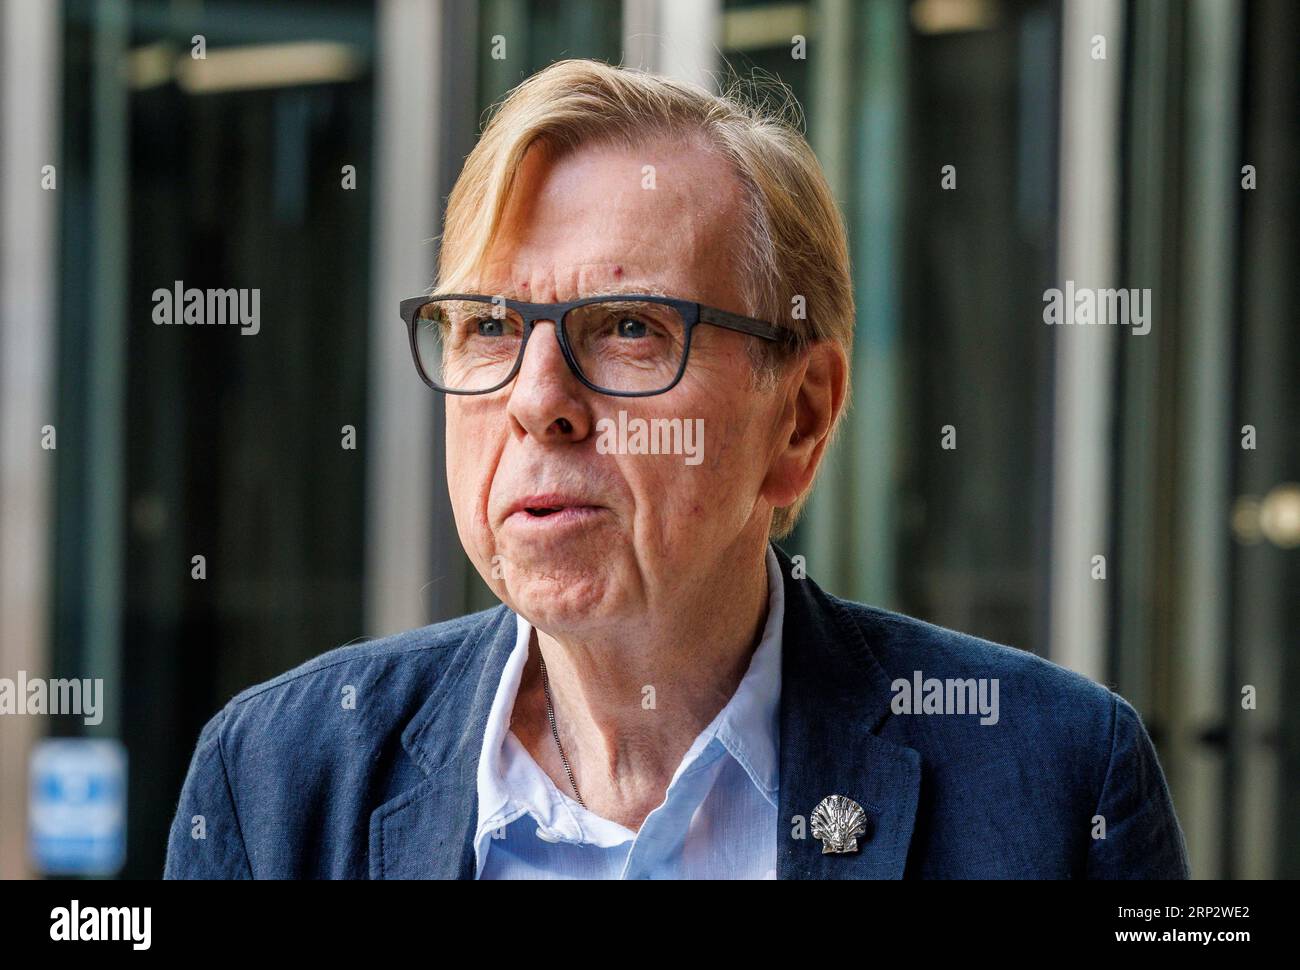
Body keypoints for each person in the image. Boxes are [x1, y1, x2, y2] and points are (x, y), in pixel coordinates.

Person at [165, 59, 1189, 879]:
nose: (537, 400)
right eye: (487, 326)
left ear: (800, 417)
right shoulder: (276, 782)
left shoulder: (1052, 782)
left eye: (627, 328)